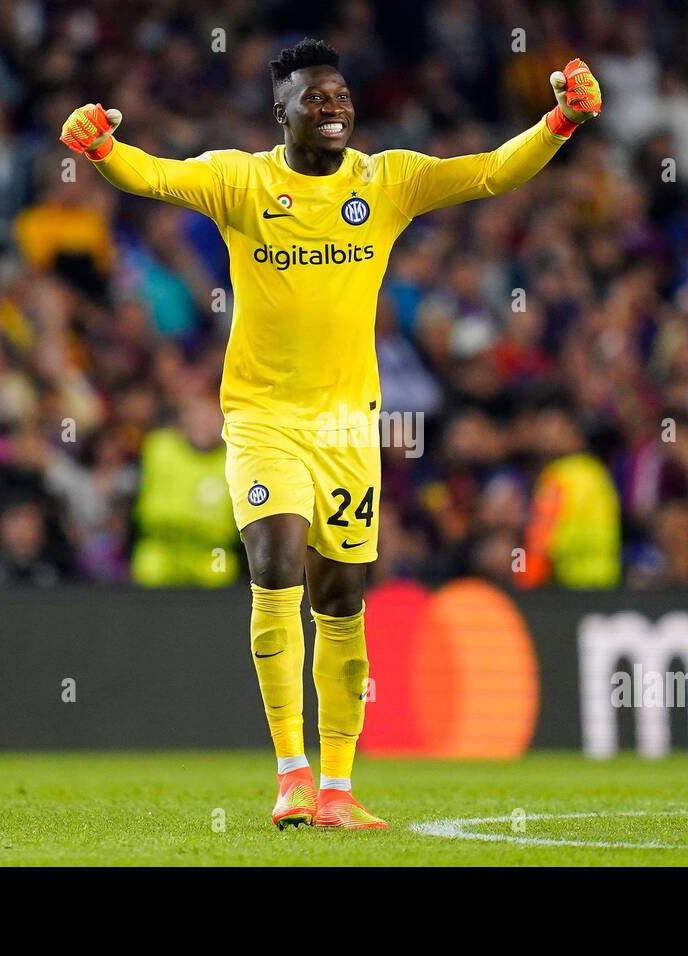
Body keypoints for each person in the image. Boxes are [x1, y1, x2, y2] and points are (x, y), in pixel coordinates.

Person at [60, 38, 601, 830]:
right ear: (280, 112)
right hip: (263, 418)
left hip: (350, 427)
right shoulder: (243, 179)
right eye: (316, 99)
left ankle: (340, 789)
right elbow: (155, 175)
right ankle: (291, 773)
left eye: (341, 96)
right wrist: (101, 147)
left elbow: (489, 170)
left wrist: (559, 121)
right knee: (275, 568)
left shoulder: (388, 181)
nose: (335, 108)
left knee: (341, 601)